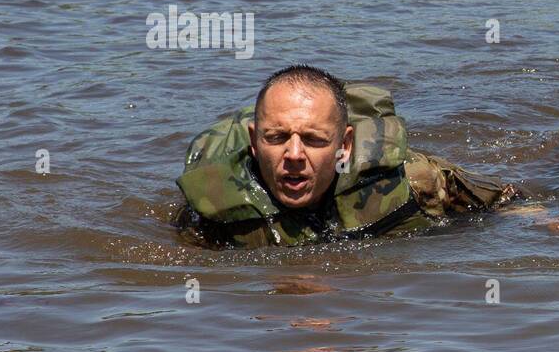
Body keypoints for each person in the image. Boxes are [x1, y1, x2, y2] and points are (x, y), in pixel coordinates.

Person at [175, 65, 522, 248]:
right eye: (277, 138)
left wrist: (543, 219)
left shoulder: (414, 179)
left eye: (313, 140)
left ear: (345, 144)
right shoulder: (211, 215)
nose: (293, 154)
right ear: (254, 141)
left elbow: (502, 201)